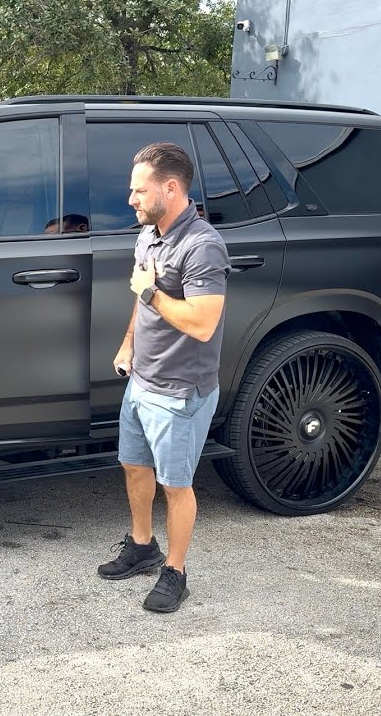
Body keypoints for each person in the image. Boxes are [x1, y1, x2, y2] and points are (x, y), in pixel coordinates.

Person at [98, 142, 230, 613]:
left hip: (180, 392)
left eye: (140, 190)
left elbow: (201, 322)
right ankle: (142, 546)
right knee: (134, 466)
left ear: (170, 188)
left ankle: (175, 572)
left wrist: (152, 293)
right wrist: (129, 344)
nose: (131, 199)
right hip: (143, 381)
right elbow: (141, 298)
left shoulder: (204, 246)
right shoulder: (150, 234)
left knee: (177, 486)